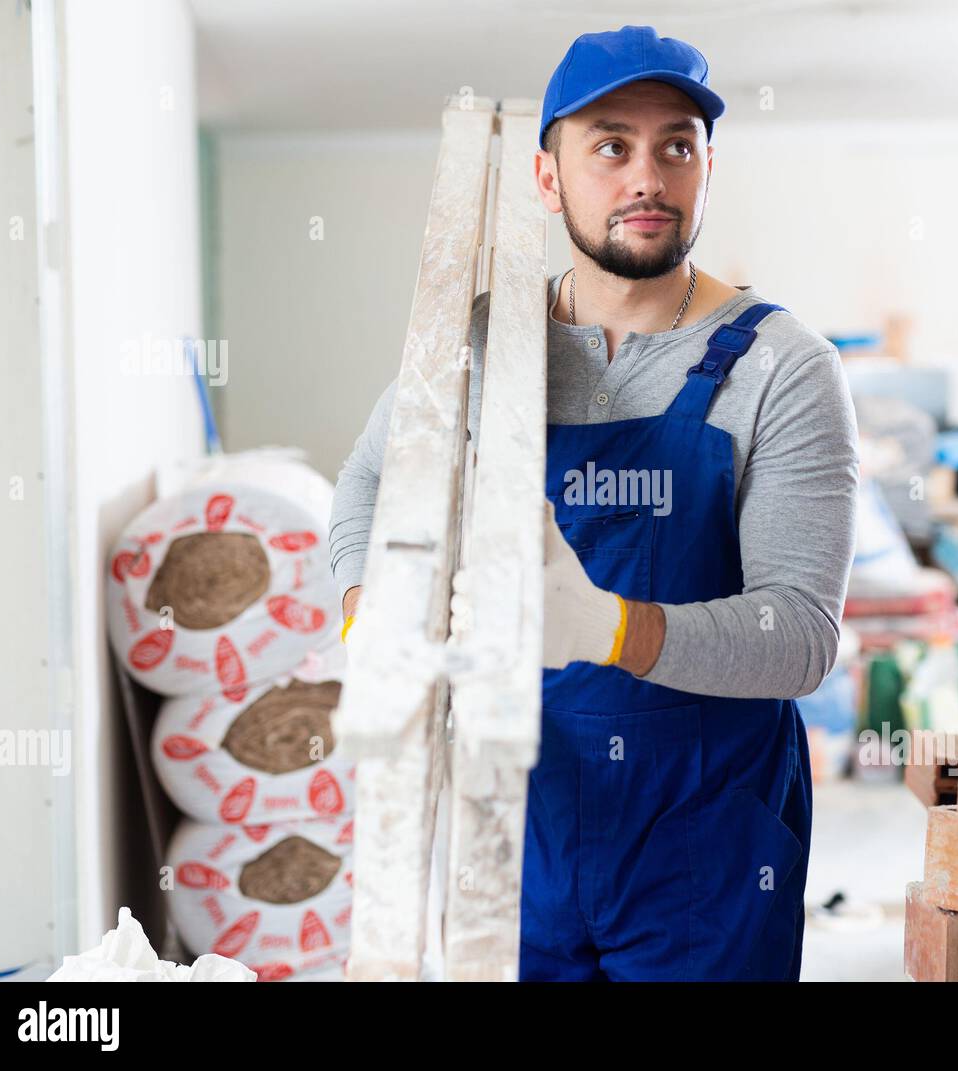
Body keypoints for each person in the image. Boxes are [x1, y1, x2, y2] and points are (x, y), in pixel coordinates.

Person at [329, 24, 859, 981]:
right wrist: (373, 613)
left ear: (706, 168)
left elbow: (802, 639)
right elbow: (370, 481)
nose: (645, 176)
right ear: (548, 177)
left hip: (709, 844)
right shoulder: (484, 348)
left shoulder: (785, 367)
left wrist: (609, 628)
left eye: (676, 147)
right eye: (610, 145)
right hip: (519, 829)